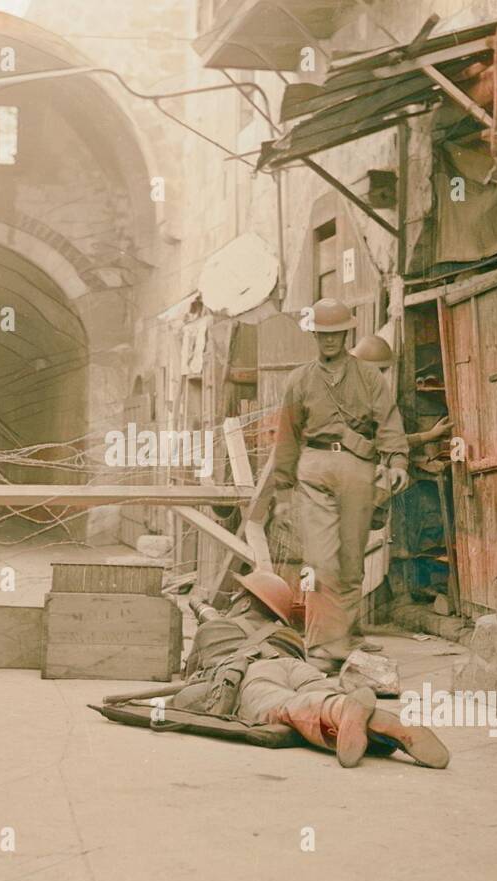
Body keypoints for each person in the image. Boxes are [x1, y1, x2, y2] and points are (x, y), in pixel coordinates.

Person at [171, 571, 449, 769]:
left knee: (286, 706)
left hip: (252, 671)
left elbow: (193, 680)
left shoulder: (214, 629)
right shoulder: (290, 635)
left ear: (244, 603)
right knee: (324, 692)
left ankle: (340, 711)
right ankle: (373, 718)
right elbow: (297, 660)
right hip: (296, 666)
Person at [271, 298, 411, 670]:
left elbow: (389, 421)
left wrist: (397, 460)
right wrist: (282, 492)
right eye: (323, 333)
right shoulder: (299, 379)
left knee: (350, 563)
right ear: (314, 334)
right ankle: (321, 646)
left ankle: (344, 640)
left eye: (336, 333)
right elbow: (287, 437)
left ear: (347, 332)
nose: (329, 340)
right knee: (318, 563)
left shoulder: (369, 377)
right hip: (314, 465)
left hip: (357, 467)